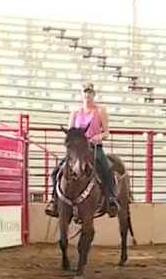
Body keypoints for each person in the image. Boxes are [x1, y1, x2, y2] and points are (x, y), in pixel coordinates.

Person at [46, 83, 118, 217]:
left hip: (94, 147)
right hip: (77, 149)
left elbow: (107, 132)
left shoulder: (100, 111)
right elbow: (70, 132)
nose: (87, 95)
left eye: (90, 92)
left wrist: (99, 136)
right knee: (57, 171)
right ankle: (54, 200)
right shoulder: (75, 112)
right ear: (82, 94)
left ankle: (110, 198)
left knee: (106, 169)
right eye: (85, 92)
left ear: (94, 95)